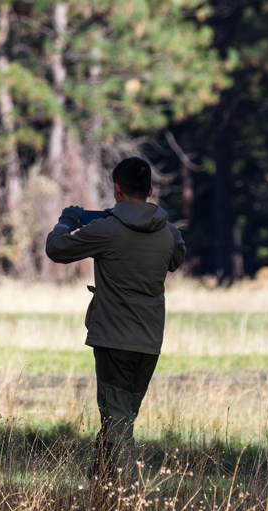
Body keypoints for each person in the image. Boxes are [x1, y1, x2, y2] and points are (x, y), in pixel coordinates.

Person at [44, 157, 186, 490]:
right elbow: (176, 257)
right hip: (149, 342)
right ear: (150, 190)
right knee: (119, 420)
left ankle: (132, 500)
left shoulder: (106, 230)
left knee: (117, 422)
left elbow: (56, 249)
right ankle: (99, 492)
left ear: (116, 189)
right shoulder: (168, 233)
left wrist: (68, 220)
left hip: (112, 341)